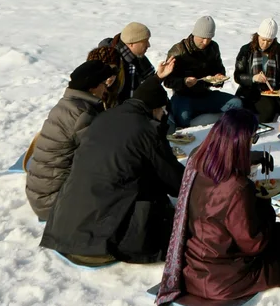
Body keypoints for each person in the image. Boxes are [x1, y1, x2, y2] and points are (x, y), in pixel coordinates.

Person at [153, 107, 280, 306]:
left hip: (193, 267)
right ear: (240, 144)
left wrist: (254, 156)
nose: (251, 145)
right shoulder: (238, 188)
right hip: (223, 280)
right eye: (250, 141)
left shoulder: (196, 161)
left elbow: (224, 153)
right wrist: (265, 207)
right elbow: (253, 244)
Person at [40, 75, 183, 266]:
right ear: (156, 108)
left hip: (62, 231)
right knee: (154, 197)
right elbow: (176, 182)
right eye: (163, 110)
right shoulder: (147, 129)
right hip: (96, 245)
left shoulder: (103, 117)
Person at [24, 62, 117, 220]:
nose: (105, 88)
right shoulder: (82, 113)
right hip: (54, 202)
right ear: (92, 87)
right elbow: (100, 157)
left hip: (41, 194)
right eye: (103, 84)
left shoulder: (68, 104)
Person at [164, 14, 241, 129]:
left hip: (205, 94)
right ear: (195, 34)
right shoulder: (178, 51)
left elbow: (219, 68)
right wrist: (184, 82)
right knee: (182, 119)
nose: (205, 42)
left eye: (209, 38)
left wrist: (219, 77)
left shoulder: (213, 48)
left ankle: (223, 132)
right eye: (202, 38)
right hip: (183, 96)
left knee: (236, 103)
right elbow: (167, 81)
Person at [86, 21, 175, 105]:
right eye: (145, 41)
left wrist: (158, 77)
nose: (148, 45)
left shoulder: (139, 60)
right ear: (132, 43)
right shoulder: (109, 60)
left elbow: (148, 88)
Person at [234, 18, 280, 121]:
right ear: (258, 36)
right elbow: (238, 76)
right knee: (268, 109)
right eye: (263, 40)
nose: (265, 44)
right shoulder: (246, 50)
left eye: (269, 41)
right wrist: (253, 78)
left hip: (273, 89)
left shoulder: (278, 49)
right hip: (252, 90)